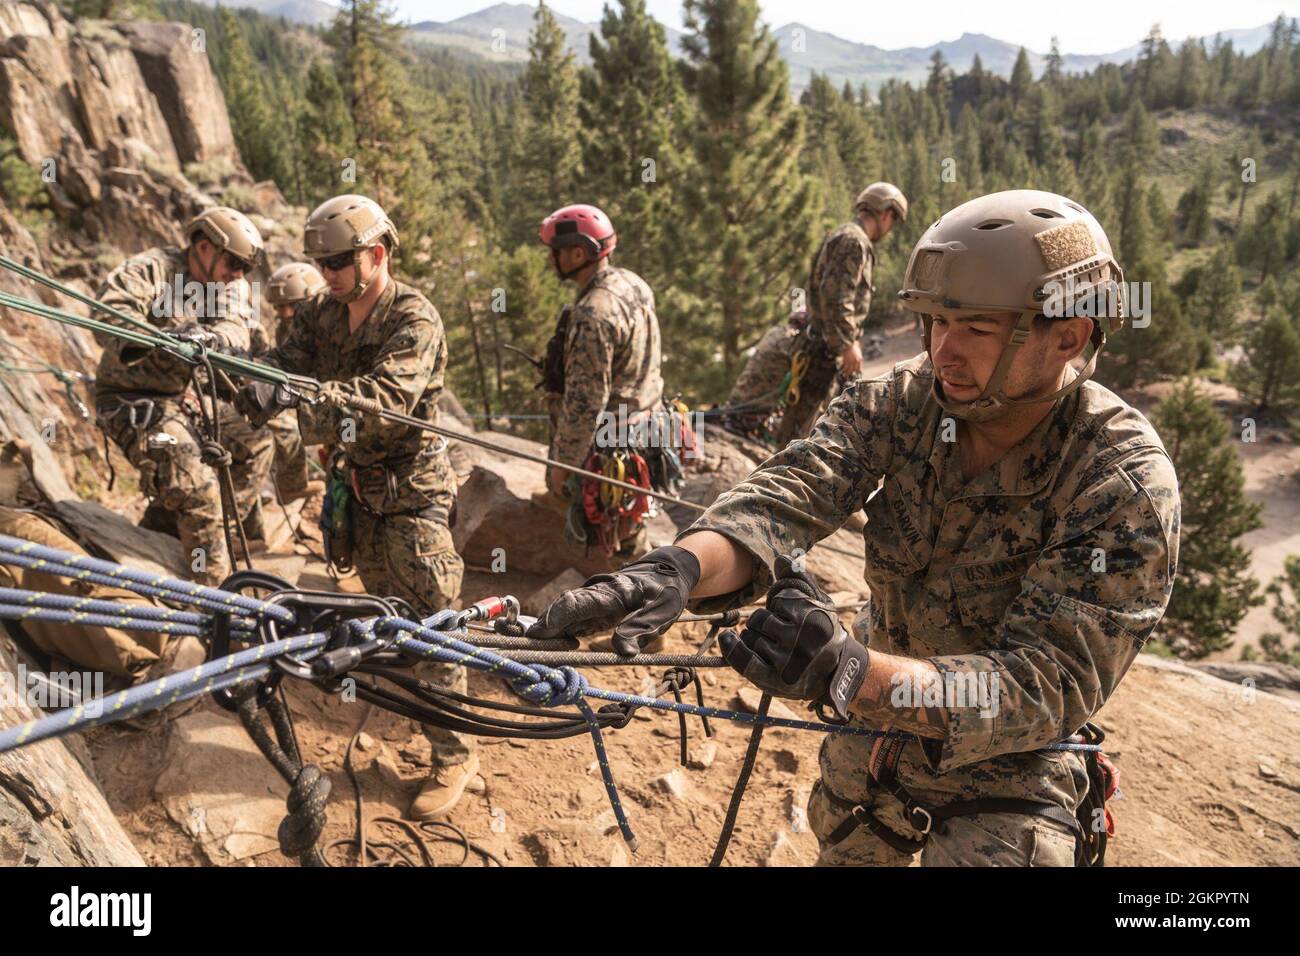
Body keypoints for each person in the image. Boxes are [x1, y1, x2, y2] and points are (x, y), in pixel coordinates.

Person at [526, 190, 1181, 865]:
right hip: (871, 759)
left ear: (1068, 335)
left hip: (1007, 779)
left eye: (977, 331)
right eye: (934, 323)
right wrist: (679, 568)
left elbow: (1045, 681)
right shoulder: (906, 400)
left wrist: (853, 672)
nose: (943, 352)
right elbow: (789, 495)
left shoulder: (1120, 482)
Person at [239, 194, 478, 820]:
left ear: (376, 254)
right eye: (321, 264)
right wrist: (255, 376)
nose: (327, 276)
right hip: (361, 492)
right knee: (387, 615)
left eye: (338, 263)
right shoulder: (323, 311)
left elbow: (383, 398)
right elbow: (289, 359)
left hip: (413, 495)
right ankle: (416, 715)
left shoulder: (414, 320)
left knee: (433, 624)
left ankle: (453, 755)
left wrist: (294, 400)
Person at [93, 206, 266, 585]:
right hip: (129, 403)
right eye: (233, 263)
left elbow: (237, 326)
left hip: (180, 400)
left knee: (257, 441)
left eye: (244, 269)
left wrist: (212, 338)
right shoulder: (152, 270)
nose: (238, 275)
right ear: (204, 248)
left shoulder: (229, 286)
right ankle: (212, 599)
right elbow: (107, 313)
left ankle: (193, 534)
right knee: (198, 484)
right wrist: (163, 338)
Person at [537, 203, 668, 558]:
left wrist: (562, 467)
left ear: (579, 252)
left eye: (557, 252)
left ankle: (645, 600)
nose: (553, 259)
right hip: (646, 424)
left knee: (618, 536)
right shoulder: (633, 284)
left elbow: (585, 402)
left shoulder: (593, 313)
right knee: (629, 521)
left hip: (613, 441)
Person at [771, 181, 907, 445]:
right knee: (801, 439)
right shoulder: (853, 241)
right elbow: (836, 297)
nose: (890, 229)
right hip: (822, 353)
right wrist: (847, 344)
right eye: (893, 220)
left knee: (812, 435)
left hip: (824, 351)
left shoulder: (848, 237)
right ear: (885, 213)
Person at [260, 262, 329, 507]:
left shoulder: (332, 325)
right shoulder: (285, 328)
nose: (286, 313)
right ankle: (293, 486)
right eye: (280, 306)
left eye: (293, 305)